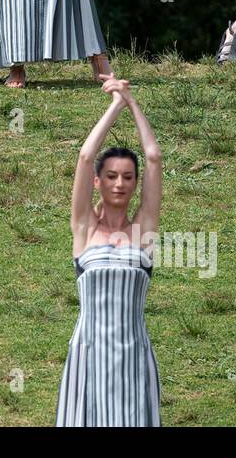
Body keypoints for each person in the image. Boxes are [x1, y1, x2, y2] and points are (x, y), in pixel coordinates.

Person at [56, 78, 162, 426]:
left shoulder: (142, 231)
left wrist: (132, 102)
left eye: (129, 178)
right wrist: (113, 107)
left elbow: (154, 157)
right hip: (88, 353)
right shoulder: (84, 227)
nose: (120, 184)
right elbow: (86, 158)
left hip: (134, 354)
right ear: (98, 182)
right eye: (112, 176)